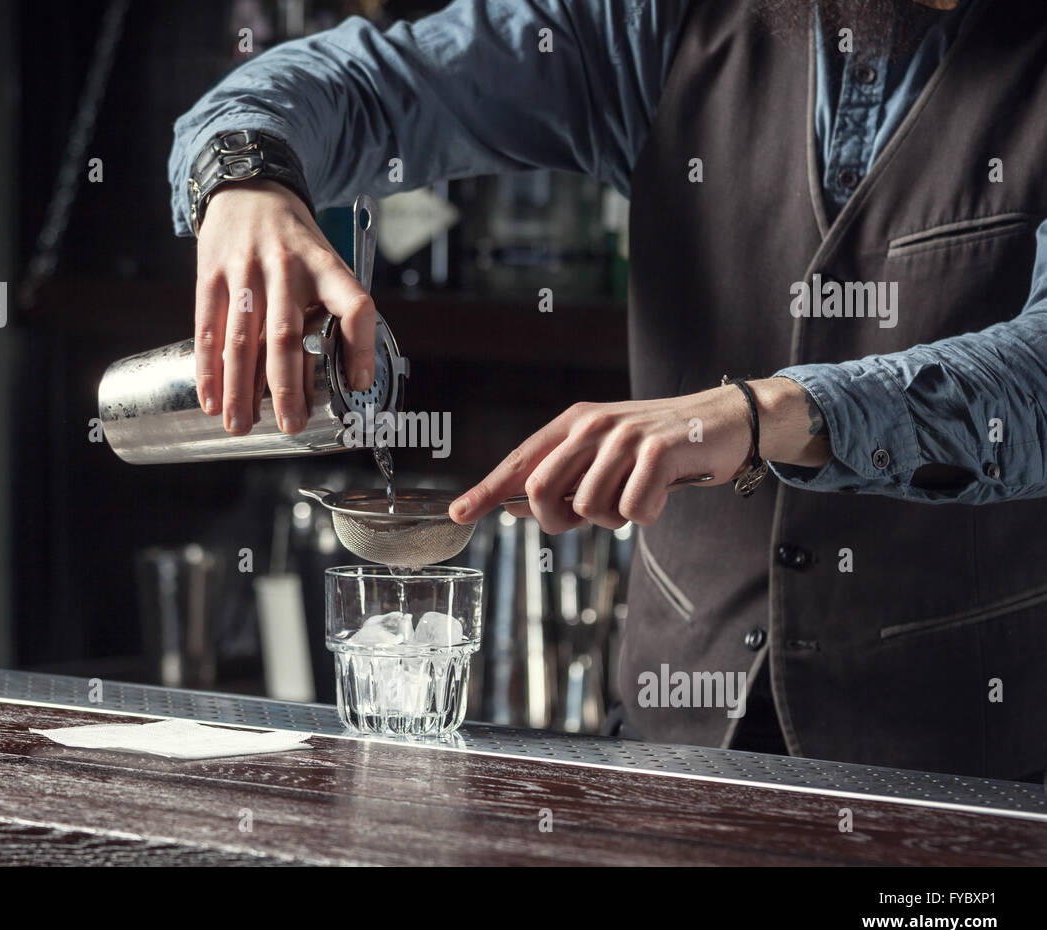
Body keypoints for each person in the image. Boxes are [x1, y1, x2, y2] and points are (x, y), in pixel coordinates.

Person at [170, 0, 1047, 781]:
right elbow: (372, 84)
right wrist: (248, 177)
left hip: (973, 779)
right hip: (676, 763)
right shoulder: (656, 27)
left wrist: (766, 413)